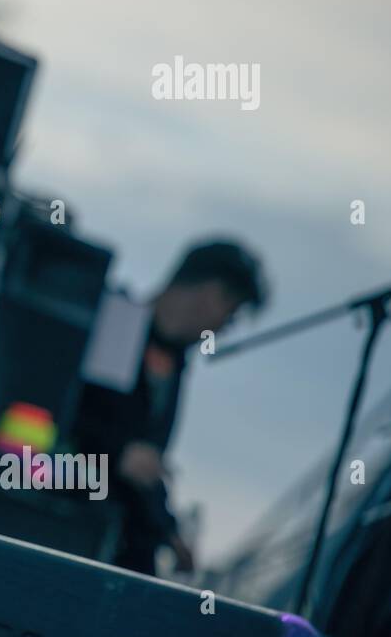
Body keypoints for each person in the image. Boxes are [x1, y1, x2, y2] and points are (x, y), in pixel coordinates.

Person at [72, 240, 268, 576]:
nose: (223, 328)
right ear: (212, 294)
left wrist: (169, 531)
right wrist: (118, 454)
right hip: (65, 518)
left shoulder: (175, 361)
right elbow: (64, 419)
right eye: (231, 314)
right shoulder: (118, 323)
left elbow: (144, 463)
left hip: (116, 541)